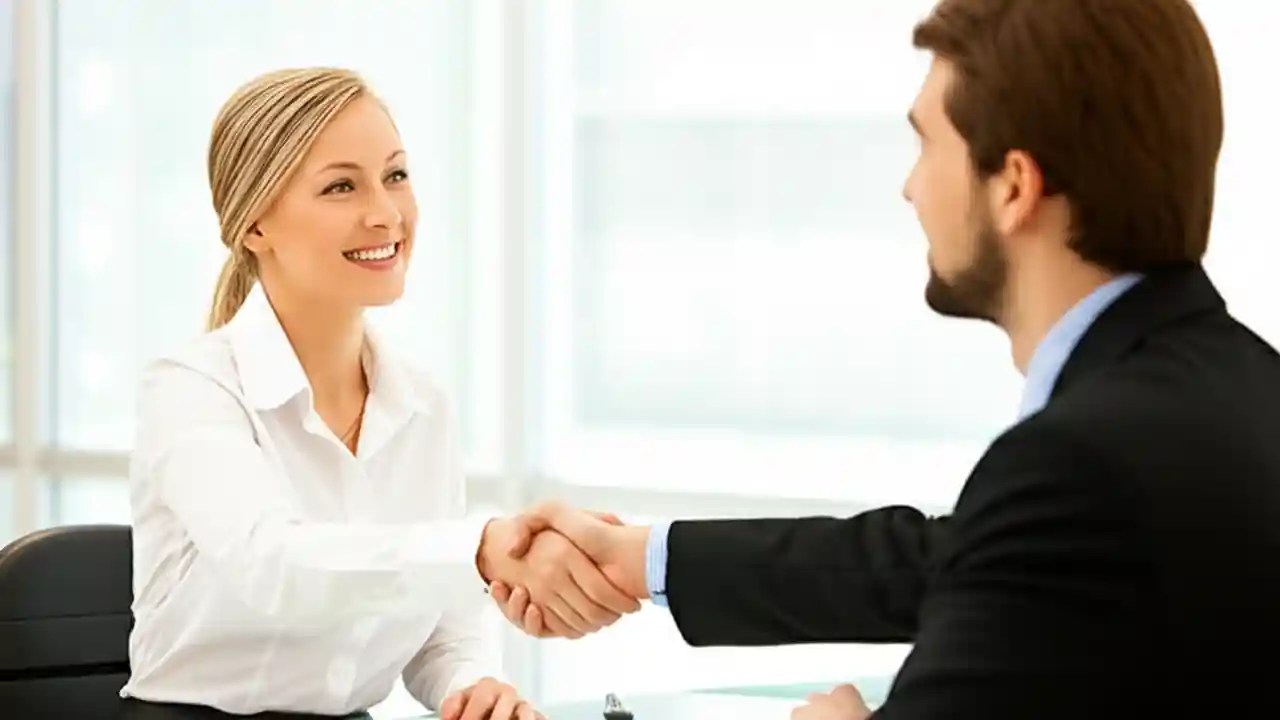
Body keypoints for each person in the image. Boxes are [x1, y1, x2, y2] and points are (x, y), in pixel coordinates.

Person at [492, 0, 1280, 717]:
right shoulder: (1245, 387)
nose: (909, 187)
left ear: (1013, 186)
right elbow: (959, 562)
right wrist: (642, 559)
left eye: (926, 142)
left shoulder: (1077, 462)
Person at [121, 67, 637, 720]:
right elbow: (273, 566)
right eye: (341, 186)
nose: (386, 214)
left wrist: (472, 686)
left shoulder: (423, 404)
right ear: (254, 226)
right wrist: (482, 550)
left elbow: (441, 630)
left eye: (395, 175)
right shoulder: (190, 390)